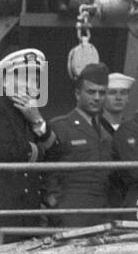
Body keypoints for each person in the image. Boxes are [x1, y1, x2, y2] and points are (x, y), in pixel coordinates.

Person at [0, 49, 57, 240]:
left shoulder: (32, 114)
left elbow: (57, 153)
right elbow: (7, 152)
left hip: (27, 212)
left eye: (34, 78)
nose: (29, 84)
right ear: (5, 79)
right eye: (22, 77)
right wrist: (38, 150)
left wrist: (37, 121)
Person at [47, 64, 116, 226]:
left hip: (103, 208)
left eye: (102, 92)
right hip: (71, 207)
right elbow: (47, 170)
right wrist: (53, 204)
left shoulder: (106, 129)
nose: (97, 98)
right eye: (91, 92)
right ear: (78, 94)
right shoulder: (61, 126)